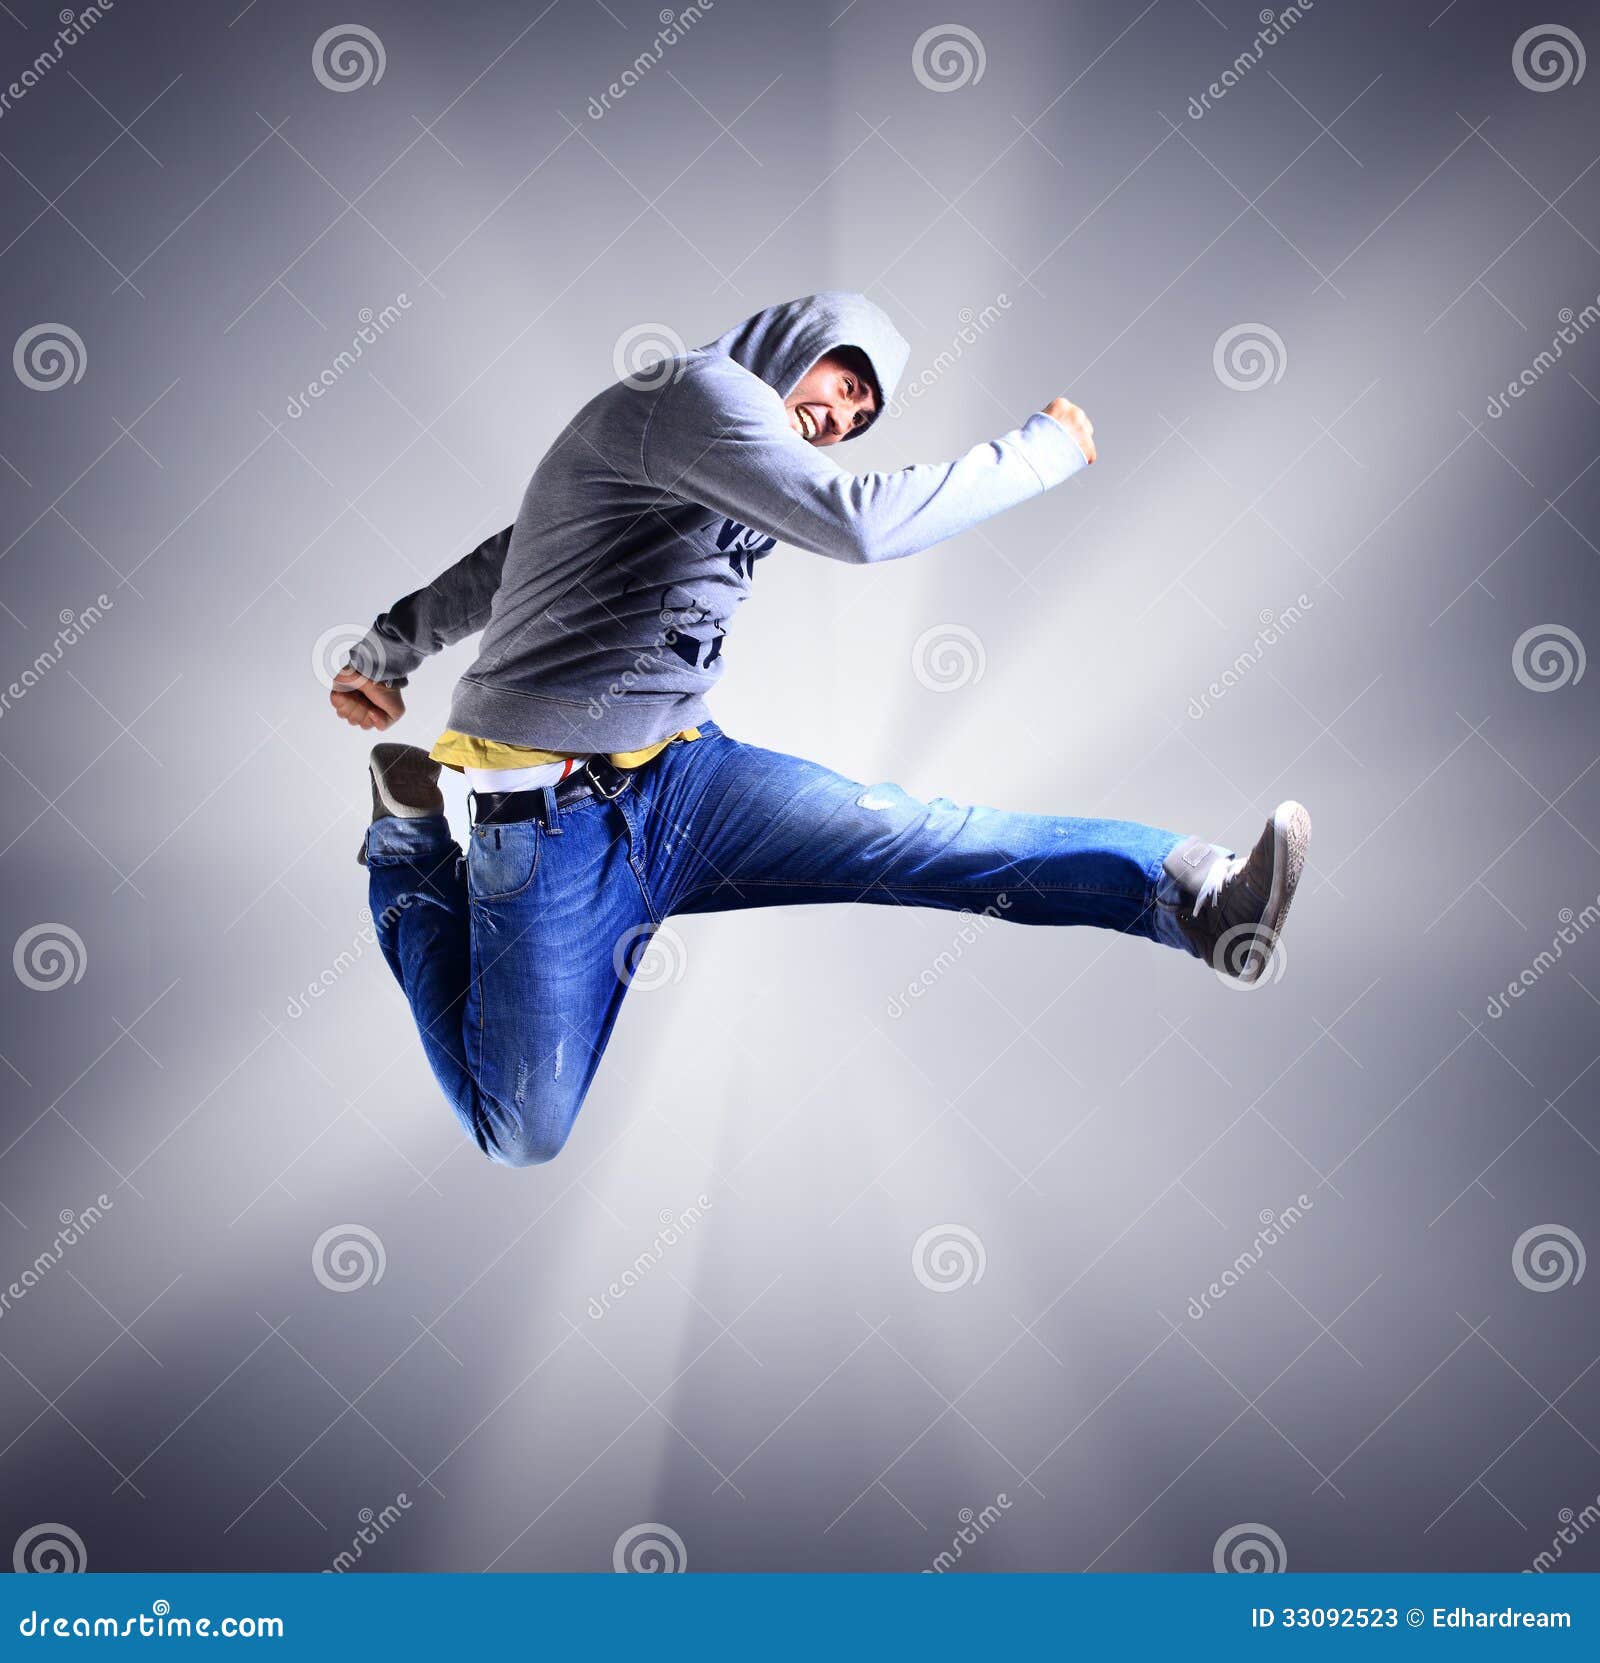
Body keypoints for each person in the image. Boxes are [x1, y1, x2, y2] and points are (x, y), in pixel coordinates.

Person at [329, 292, 1309, 1169]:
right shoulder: (694, 395)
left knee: (927, 835)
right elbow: (860, 527)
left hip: (683, 781)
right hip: (543, 823)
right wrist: (1041, 451)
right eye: (838, 382)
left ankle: (1201, 896)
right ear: (788, 343)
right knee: (523, 1132)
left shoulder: (719, 459)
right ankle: (407, 845)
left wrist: (388, 649)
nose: (835, 420)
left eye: (856, 420)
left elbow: (521, 550)